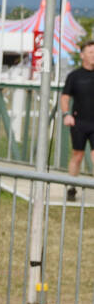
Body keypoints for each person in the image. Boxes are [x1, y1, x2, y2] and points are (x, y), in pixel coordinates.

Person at [61, 39, 94, 201]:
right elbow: (65, 97)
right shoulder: (74, 76)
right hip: (79, 121)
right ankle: (71, 187)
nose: (93, 55)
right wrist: (66, 114)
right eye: (91, 52)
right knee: (78, 155)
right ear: (82, 55)